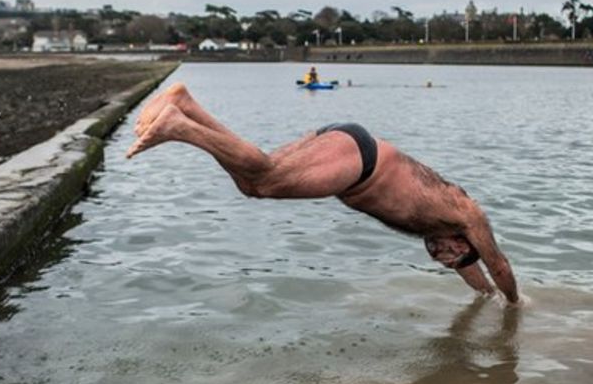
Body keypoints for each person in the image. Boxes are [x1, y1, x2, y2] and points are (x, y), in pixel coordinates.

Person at [126, 83, 521, 304]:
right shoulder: (467, 213)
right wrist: (517, 307)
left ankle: (186, 106)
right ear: (462, 240)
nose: (441, 259)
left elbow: (476, 274)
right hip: (362, 160)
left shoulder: (444, 228)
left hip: (351, 153)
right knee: (265, 180)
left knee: (252, 182)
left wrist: (486, 301)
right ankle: (179, 127)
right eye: (452, 256)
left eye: (448, 264)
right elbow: (498, 266)